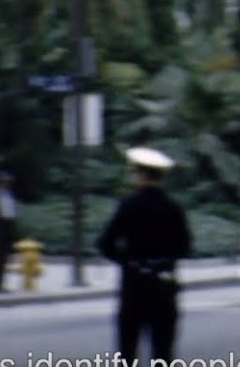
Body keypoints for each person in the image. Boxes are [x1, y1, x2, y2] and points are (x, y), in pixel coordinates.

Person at [98, 147, 192, 365]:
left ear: (141, 174)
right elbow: (185, 246)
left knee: (128, 348)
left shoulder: (129, 205)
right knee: (163, 349)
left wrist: (126, 260)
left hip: (134, 284)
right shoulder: (173, 207)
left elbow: (105, 243)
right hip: (163, 284)